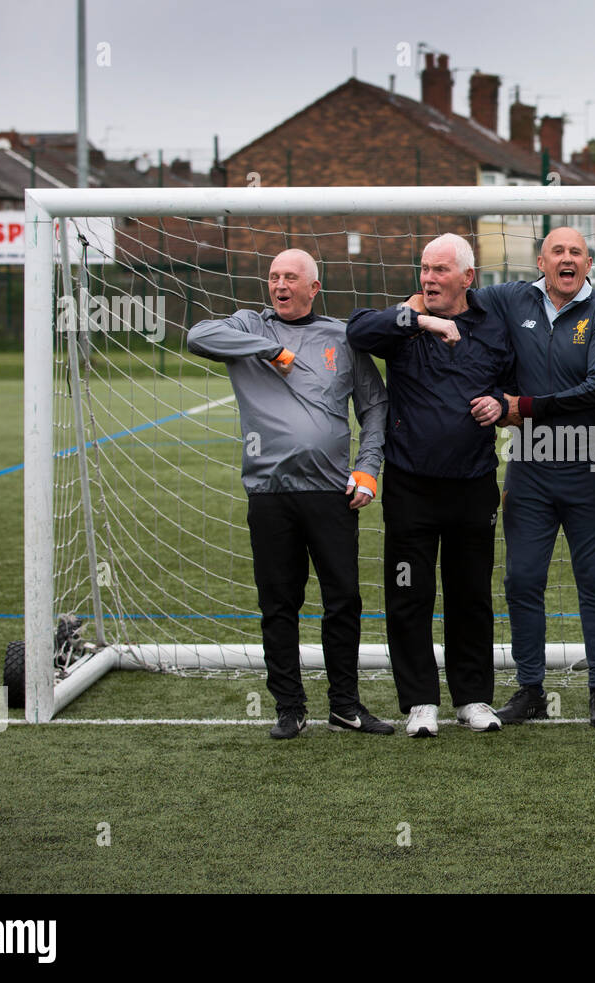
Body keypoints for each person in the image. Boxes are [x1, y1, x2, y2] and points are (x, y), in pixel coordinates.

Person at [187, 248, 390, 739]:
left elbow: (376, 405)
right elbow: (196, 335)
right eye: (274, 277)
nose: (280, 285)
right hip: (270, 493)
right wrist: (266, 350)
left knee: (343, 599)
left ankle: (344, 704)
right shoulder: (248, 327)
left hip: (331, 493)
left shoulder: (342, 337)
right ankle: (289, 707)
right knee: (279, 603)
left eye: (291, 278)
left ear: (313, 287)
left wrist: (367, 469)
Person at [347, 233, 514, 737]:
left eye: (441, 270)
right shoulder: (403, 324)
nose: (428, 278)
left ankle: (474, 699)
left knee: (469, 595)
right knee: (409, 594)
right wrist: (420, 318)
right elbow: (356, 330)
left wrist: (501, 404)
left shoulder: (493, 327)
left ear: (468, 277)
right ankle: (420, 702)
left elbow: (513, 386)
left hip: (473, 483)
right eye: (424, 269)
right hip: (410, 488)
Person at [463, 227, 595, 728]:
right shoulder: (512, 299)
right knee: (522, 579)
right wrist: (416, 305)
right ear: (542, 261)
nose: (567, 258)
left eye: (577, 252)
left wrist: (523, 406)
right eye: (558, 251)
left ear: (589, 264)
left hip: (591, 466)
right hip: (531, 466)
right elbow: (458, 296)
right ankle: (531, 688)